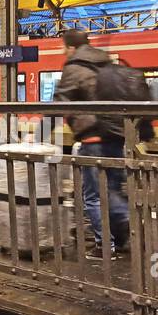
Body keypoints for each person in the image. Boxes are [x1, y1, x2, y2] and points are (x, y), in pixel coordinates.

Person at [53, 29, 129, 259]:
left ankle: (105, 246)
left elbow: (59, 104)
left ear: (71, 48)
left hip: (93, 139)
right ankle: (121, 229)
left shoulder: (74, 67)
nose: (62, 51)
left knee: (94, 197)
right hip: (116, 136)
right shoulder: (107, 63)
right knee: (112, 190)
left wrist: (38, 137)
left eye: (63, 47)